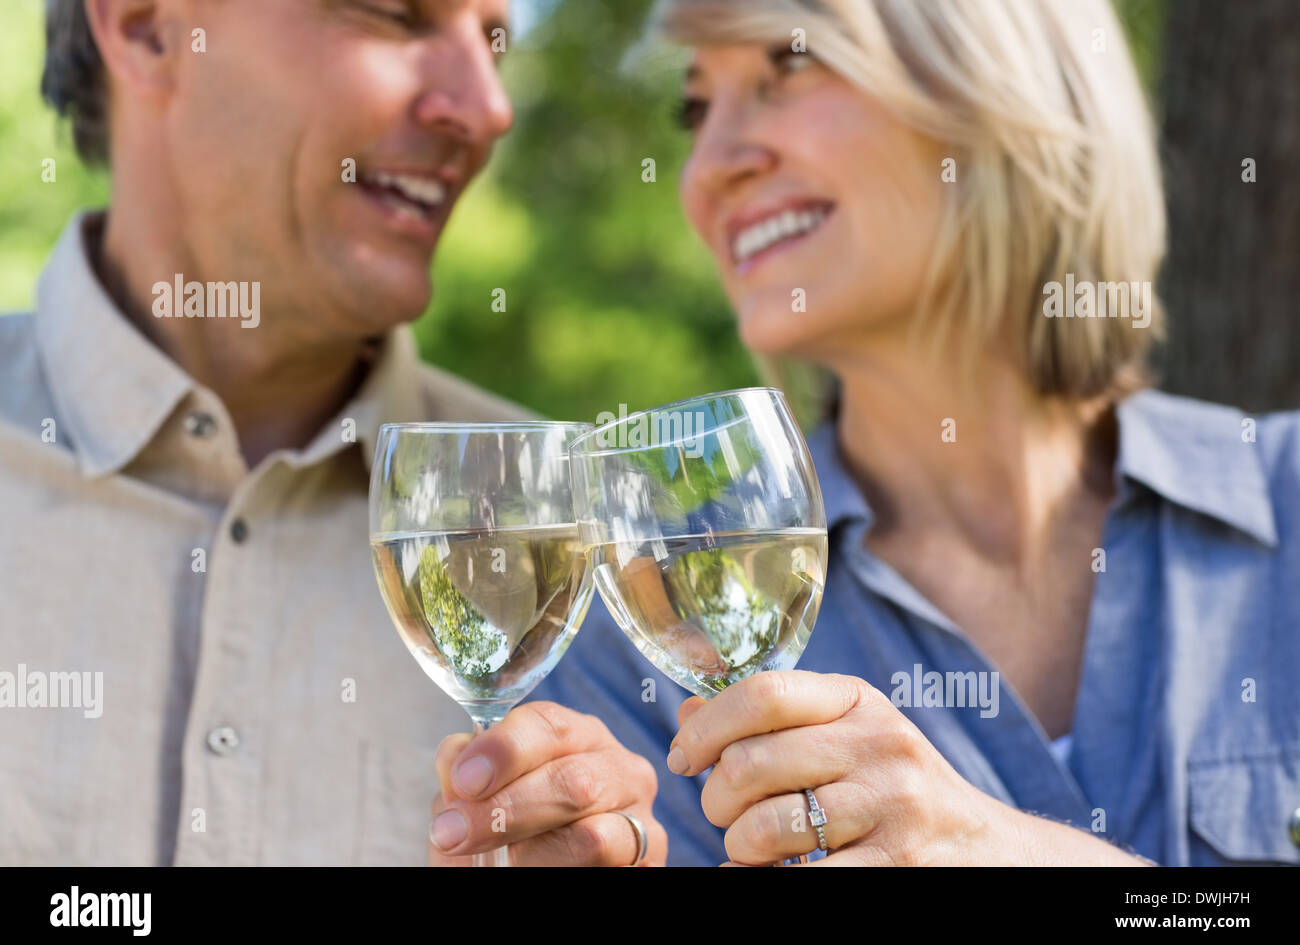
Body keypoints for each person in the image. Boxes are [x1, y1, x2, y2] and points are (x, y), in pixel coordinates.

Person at [531, 0, 1300, 866]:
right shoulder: (645, 638)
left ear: (995, 85)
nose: (709, 167)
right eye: (695, 109)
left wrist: (1003, 852)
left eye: (787, 69)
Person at [0, 0, 667, 866]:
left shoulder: (590, 544)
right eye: (395, 15)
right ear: (145, 27)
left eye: (495, 40)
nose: (490, 107)